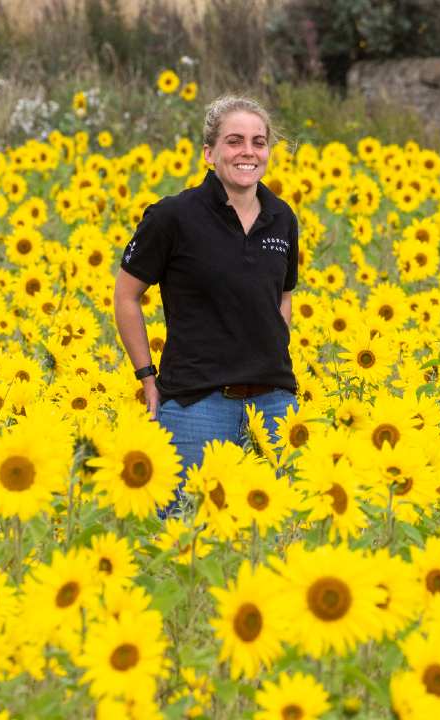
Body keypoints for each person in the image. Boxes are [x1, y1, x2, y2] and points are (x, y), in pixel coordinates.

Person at [114, 95, 299, 502]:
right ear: (209, 153)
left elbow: (283, 296)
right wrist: (146, 377)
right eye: (234, 141)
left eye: (258, 141)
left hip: (274, 403)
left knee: (272, 533)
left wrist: (271, 345)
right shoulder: (172, 217)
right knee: (188, 531)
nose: (248, 152)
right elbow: (126, 296)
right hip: (198, 404)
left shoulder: (282, 217)